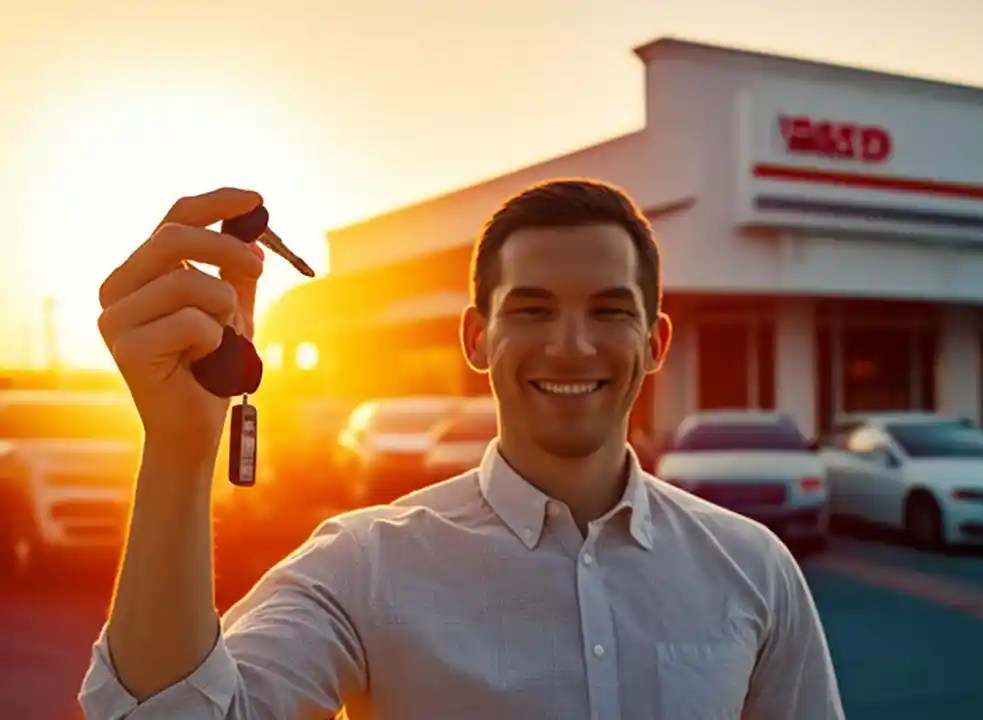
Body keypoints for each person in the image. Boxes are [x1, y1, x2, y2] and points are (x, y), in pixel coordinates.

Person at [80, 179, 845, 718]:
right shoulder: (364, 565)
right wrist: (179, 454)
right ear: (478, 338)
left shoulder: (754, 569)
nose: (572, 346)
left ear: (655, 342)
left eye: (610, 312)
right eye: (532, 310)